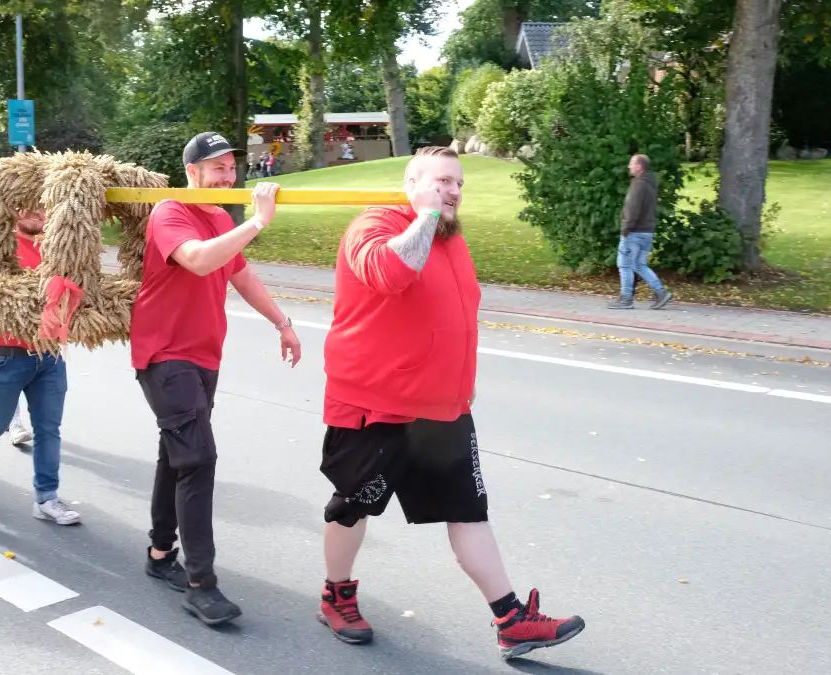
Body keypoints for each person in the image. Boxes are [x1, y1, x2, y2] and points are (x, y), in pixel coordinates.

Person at [313, 146, 584, 659]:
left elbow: (458, 315)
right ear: (411, 183)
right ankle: (336, 595)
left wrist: (462, 382)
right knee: (353, 507)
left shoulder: (450, 240)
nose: (453, 191)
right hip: (376, 405)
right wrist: (427, 213)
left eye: (458, 184)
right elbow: (392, 273)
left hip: (442, 409)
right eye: (441, 181)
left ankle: (511, 619)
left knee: (469, 511)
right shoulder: (373, 226)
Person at [131, 131, 302, 626]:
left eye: (231, 168)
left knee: (177, 452)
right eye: (217, 168)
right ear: (193, 173)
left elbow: (240, 274)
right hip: (164, 355)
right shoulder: (171, 212)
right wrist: (258, 221)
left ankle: (161, 554)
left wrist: (283, 323)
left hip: (204, 356)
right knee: (198, 457)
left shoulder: (219, 216)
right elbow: (200, 259)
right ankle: (201, 584)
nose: (227, 176)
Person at [0, 187, 80, 525]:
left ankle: (46, 498)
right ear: (13, 209)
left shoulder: (57, 247)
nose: (37, 212)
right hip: (2, 355)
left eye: (42, 206)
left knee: (49, 429)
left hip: (48, 354)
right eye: (28, 206)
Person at [608, 154, 673, 310]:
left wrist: (625, 229)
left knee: (624, 265)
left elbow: (632, 209)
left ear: (639, 166)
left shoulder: (638, 185)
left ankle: (626, 298)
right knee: (639, 264)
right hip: (647, 232)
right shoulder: (650, 184)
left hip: (634, 232)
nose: (629, 166)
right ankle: (661, 292)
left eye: (631, 164)